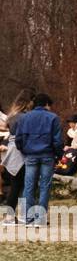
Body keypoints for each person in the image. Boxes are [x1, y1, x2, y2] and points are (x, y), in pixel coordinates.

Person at [14, 92, 61, 225]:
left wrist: (24, 150)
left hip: (30, 156)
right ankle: (40, 219)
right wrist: (59, 155)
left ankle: (28, 218)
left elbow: (18, 138)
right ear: (46, 104)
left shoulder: (24, 117)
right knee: (44, 187)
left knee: (28, 186)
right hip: (48, 155)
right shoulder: (53, 118)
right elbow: (57, 141)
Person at [1, 92, 33, 221]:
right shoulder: (25, 117)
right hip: (23, 151)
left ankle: (10, 215)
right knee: (27, 185)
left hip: (12, 152)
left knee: (15, 185)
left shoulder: (11, 116)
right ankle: (25, 215)